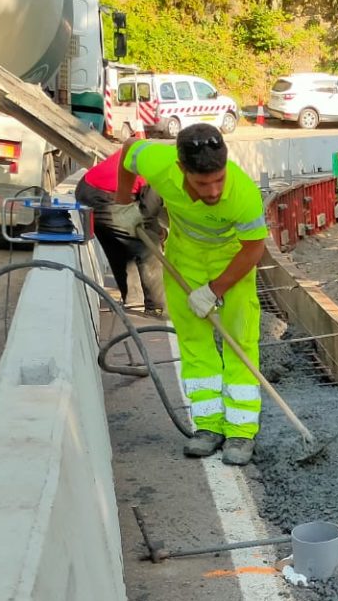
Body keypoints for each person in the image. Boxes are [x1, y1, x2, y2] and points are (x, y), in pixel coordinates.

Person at [113, 124, 270, 466]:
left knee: (239, 342)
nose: (213, 190)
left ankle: (241, 431)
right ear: (182, 169)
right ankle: (208, 426)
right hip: (184, 260)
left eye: (218, 179)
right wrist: (122, 204)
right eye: (203, 183)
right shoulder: (160, 162)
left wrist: (216, 290)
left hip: (233, 263)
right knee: (194, 344)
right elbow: (128, 151)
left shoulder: (242, 195)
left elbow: (254, 249)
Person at [75, 138, 166, 315]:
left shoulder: (157, 156)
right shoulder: (164, 172)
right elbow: (147, 211)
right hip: (101, 194)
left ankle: (135, 301)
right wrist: (158, 233)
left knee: (122, 245)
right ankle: (157, 307)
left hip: (90, 189)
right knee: (147, 247)